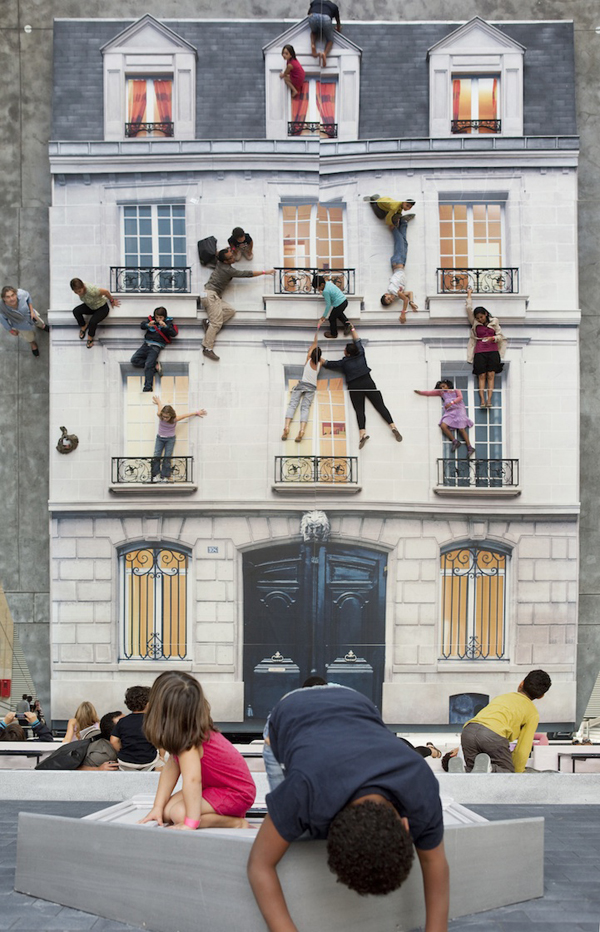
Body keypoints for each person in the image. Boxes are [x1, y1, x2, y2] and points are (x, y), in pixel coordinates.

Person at [247, 685, 448, 932]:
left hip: (355, 702)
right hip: (292, 709)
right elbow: (259, 865)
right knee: (296, 832)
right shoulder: (304, 790)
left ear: (406, 826)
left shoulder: (419, 783)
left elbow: (434, 862)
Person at [140, 671, 256, 829]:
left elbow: (193, 780)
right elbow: (171, 767)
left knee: (178, 814)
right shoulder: (183, 733)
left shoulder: (190, 741)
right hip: (213, 788)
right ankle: (214, 815)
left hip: (235, 793)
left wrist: (190, 823)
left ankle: (236, 823)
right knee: (166, 813)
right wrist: (157, 807)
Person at [456, 670, 552, 773]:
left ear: (521, 683)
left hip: (468, 731)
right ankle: (490, 769)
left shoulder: (502, 697)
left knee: (476, 771)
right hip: (492, 734)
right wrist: (517, 771)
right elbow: (522, 749)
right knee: (506, 773)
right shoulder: (532, 713)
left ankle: (463, 770)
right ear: (541, 696)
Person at [323, 325, 402, 449]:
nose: (344, 350)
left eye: (345, 350)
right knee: (380, 406)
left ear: (348, 353)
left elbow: (328, 364)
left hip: (354, 386)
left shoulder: (344, 363)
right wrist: (352, 329)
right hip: (367, 381)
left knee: (360, 411)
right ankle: (393, 427)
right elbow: (357, 340)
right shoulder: (360, 353)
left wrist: (316, 356)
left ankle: (362, 434)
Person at [200, 248, 273, 361]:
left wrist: (233, 248)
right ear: (225, 261)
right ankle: (207, 348)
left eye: (232, 255)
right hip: (210, 295)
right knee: (216, 323)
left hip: (213, 296)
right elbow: (247, 274)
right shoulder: (228, 270)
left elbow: (220, 253)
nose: (233, 258)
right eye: (230, 258)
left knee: (230, 311)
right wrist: (265, 272)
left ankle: (208, 322)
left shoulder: (219, 262)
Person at [365, 196, 416, 318]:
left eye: (388, 299)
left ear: (386, 294)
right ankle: (403, 222)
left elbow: (405, 299)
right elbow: (409, 294)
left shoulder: (393, 290)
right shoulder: (397, 294)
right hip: (401, 263)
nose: (391, 300)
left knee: (400, 242)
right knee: (404, 243)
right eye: (390, 302)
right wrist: (412, 302)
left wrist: (403, 314)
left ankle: (394, 227)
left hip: (398, 262)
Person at [466, 287, 506, 408]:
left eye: (481, 317)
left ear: (486, 314)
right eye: (478, 318)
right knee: (481, 375)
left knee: (491, 375)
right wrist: (469, 295)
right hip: (480, 351)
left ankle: (489, 400)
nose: (480, 319)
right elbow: (468, 309)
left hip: (493, 350)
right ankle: (482, 400)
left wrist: (492, 338)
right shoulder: (475, 323)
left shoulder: (494, 321)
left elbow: (500, 336)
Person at [151, 395, 206, 482]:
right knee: (156, 455)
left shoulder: (175, 419)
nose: (165, 419)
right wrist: (158, 402)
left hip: (170, 439)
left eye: (167, 417)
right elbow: (160, 407)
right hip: (160, 438)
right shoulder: (160, 415)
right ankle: (155, 475)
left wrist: (197, 412)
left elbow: (185, 415)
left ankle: (165, 476)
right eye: (164, 416)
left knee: (167, 457)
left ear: (171, 416)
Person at [414, 380, 475, 456]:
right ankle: (455, 441)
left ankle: (470, 447)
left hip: (459, 410)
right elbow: (430, 393)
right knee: (443, 426)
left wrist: (451, 403)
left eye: (443, 386)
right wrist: (420, 392)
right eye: (441, 387)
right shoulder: (442, 393)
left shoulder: (456, 390)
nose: (442, 388)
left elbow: (460, 397)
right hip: (450, 412)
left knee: (461, 429)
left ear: (448, 385)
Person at [281, 334, 323, 442]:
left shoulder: (308, 359)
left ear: (311, 354)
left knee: (293, 404)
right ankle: (302, 430)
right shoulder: (320, 363)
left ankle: (286, 427)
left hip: (302, 384)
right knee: (305, 408)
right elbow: (318, 356)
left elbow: (314, 343)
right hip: (312, 387)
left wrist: (317, 332)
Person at [110, 687, 160, 772]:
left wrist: (122, 751)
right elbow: (161, 741)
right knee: (163, 766)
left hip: (125, 762)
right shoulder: (153, 721)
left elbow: (113, 741)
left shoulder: (122, 721)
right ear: (148, 704)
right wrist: (161, 756)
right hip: (149, 761)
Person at [130, 306, 178, 392]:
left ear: (164, 317)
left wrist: (165, 326)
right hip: (146, 344)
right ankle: (155, 365)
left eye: (160, 317)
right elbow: (142, 325)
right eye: (157, 317)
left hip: (156, 346)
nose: (158, 319)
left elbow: (173, 333)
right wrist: (148, 325)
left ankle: (148, 388)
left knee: (148, 365)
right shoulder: (151, 320)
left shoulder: (168, 322)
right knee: (134, 360)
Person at [0, 286, 50, 357]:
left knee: (40, 322)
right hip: (20, 325)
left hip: (31, 316)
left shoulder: (21, 293)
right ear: (4, 298)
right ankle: (32, 343)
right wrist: (11, 330)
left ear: (16, 294)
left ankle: (42, 326)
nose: (11, 299)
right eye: (8, 297)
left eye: (12, 295)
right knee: (29, 337)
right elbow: (3, 320)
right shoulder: (1, 308)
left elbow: (28, 296)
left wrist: (32, 311)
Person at [70, 277, 120, 348]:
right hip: (91, 306)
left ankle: (90, 337)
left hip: (102, 308)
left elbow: (106, 292)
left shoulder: (92, 290)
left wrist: (112, 301)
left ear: (83, 287)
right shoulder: (80, 289)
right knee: (76, 311)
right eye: (76, 292)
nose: (78, 294)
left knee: (92, 322)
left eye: (79, 291)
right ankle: (84, 325)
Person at [307, 0, 342, 67]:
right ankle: (324, 53)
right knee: (330, 40)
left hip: (313, 16)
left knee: (314, 32)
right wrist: (338, 29)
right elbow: (338, 21)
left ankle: (313, 45)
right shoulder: (334, 6)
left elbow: (308, 13)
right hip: (326, 17)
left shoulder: (315, 2)